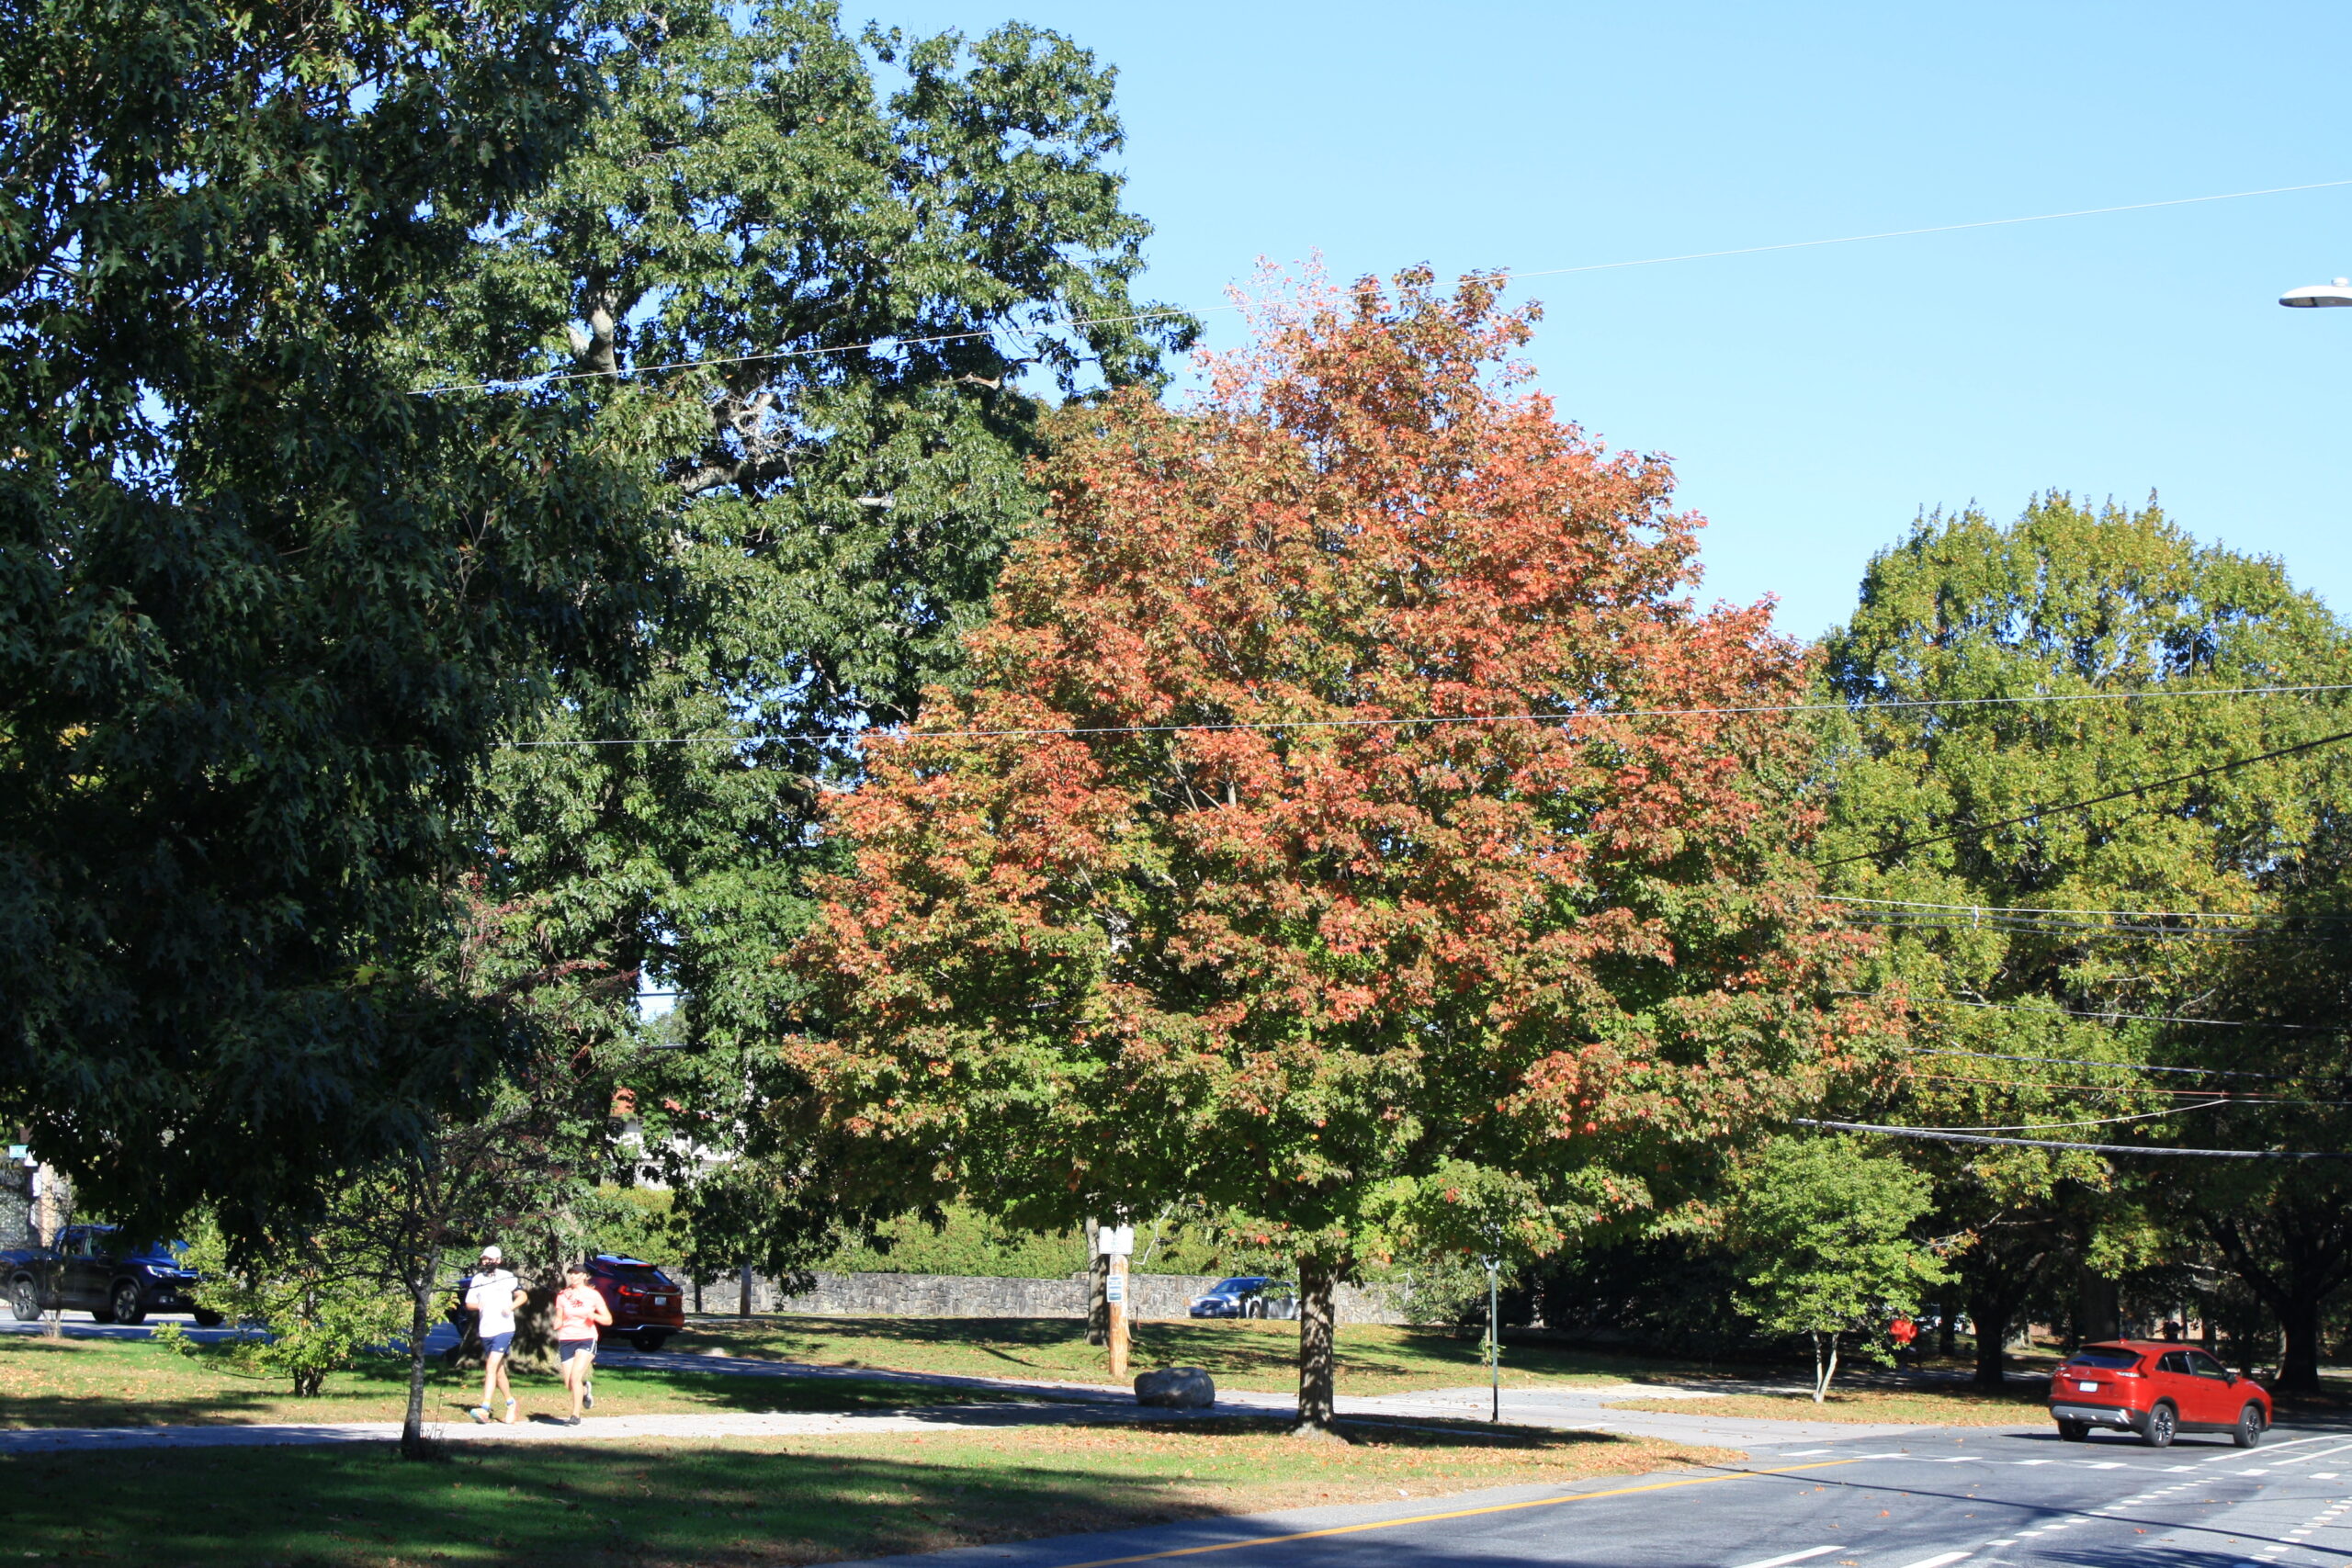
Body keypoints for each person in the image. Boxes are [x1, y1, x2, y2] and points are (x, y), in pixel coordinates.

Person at [465, 1245, 527, 1426]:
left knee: (490, 1366)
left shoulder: (507, 1277)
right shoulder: (478, 1278)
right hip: (486, 1329)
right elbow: (469, 1303)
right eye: (484, 1259)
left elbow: (522, 1296)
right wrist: (479, 1305)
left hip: (504, 1328)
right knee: (498, 1371)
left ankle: (484, 1409)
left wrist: (511, 1307)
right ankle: (511, 1403)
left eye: (490, 1259)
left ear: (498, 1260)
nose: (486, 1262)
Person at [553, 1263, 613, 1426]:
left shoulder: (593, 1295)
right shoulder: (563, 1295)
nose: (573, 1276)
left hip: (586, 1338)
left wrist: (593, 1315)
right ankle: (586, 1390)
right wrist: (557, 1322)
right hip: (566, 1339)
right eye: (571, 1273)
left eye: (577, 1274)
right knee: (569, 1383)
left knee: (575, 1377)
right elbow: (559, 1316)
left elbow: (608, 1320)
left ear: (585, 1277)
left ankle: (575, 1416)